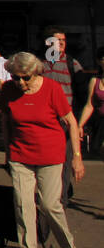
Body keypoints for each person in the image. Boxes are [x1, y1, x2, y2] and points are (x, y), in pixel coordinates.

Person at [0, 51, 84, 248]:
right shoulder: (8, 90)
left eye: (26, 77)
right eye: (16, 77)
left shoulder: (52, 89)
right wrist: (7, 153)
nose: (21, 82)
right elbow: (6, 123)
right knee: (23, 205)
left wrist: (76, 157)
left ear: (35, 72)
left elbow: (71, 123)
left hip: (51, 155)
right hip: (20, 155)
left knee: (49, 205)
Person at [44, 28, 84, 204]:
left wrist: (80, 122)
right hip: (45, 120)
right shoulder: (40, 65)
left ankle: (62, 199)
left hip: (66, 120)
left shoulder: (72, 64)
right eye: (56, 40)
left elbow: (82, 95)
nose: (60, 43)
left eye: (63, 40)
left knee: (66, 161)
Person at [76, 48, 104, 159]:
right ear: (98, 61)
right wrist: (80, 125)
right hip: (101, 124)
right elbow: (89, 105)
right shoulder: (95, 81)